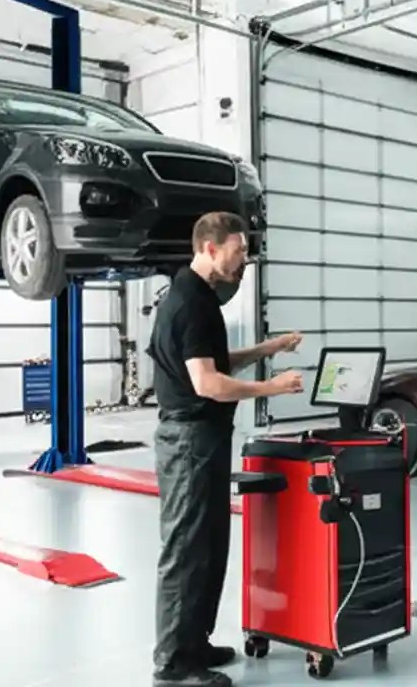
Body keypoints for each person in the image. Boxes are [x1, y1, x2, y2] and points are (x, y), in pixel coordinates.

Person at [147, 211, 305, 687]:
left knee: (210, 545)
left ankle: (193, 642)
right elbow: (209, 382)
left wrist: (266, 349)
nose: (244, 261)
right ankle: (174, 663)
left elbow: (212, 359)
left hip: (203, 439)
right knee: (187, 549)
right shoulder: (191, 303)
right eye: (239, 252)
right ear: (211, 248)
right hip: (190, 440)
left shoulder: (196, 296)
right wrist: (272, 388)